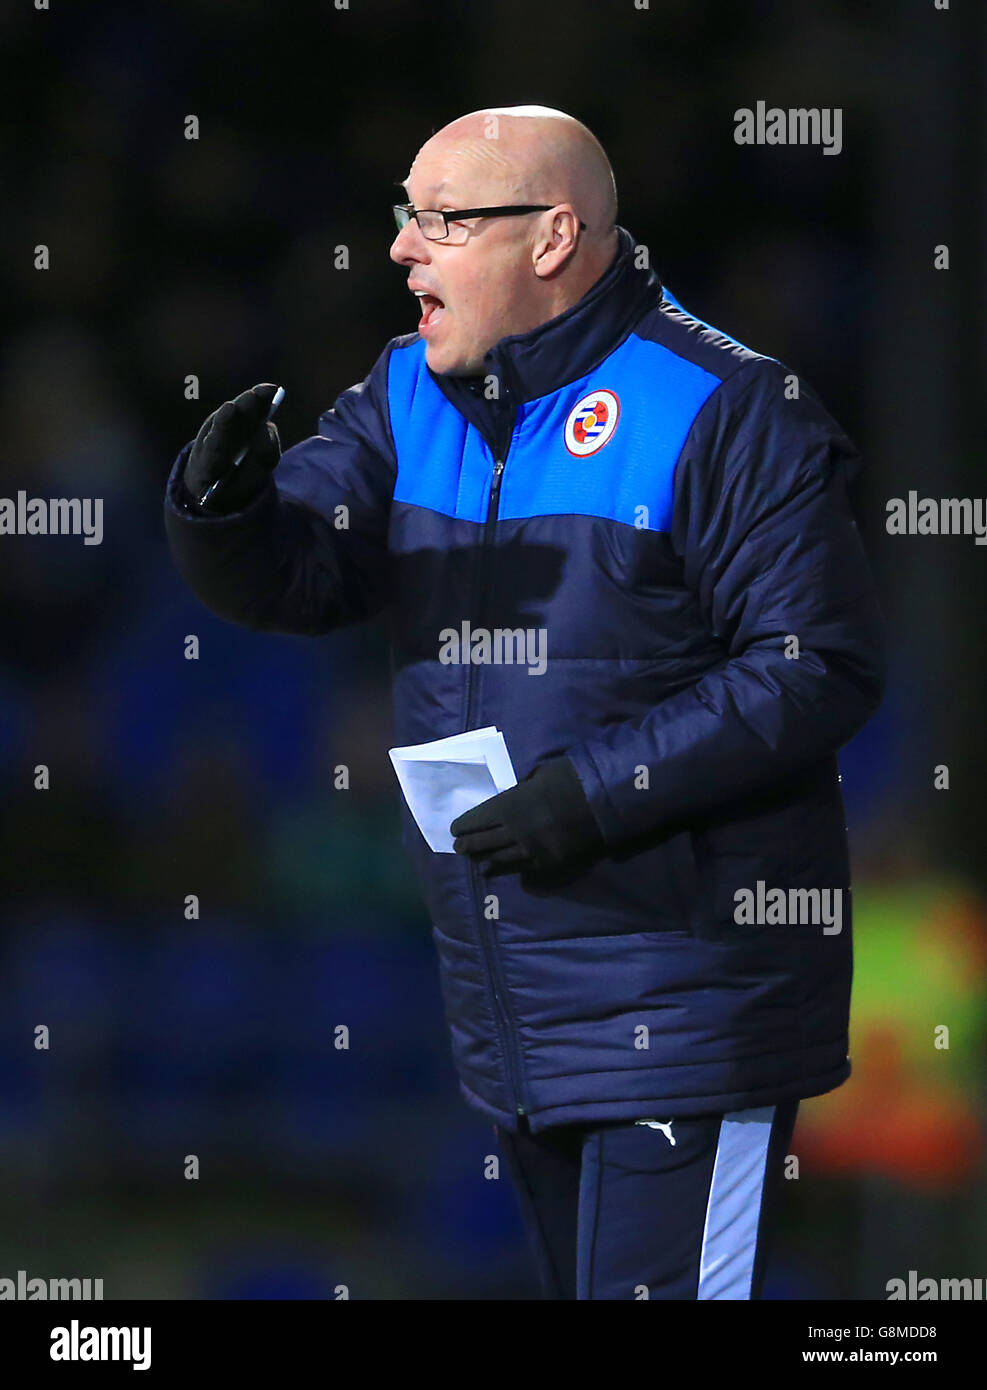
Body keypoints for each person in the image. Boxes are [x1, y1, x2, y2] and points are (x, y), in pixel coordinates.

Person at [163, 105, 885, 1299]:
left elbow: (818, 663)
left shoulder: (727, 407)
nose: (403, 248)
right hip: (519, 1014)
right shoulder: (409, 392)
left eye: (442, 219)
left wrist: (591, 797)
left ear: (552, 237)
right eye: (407, 214)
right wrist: (220, 513)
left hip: (690, 1006)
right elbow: (304, 572)